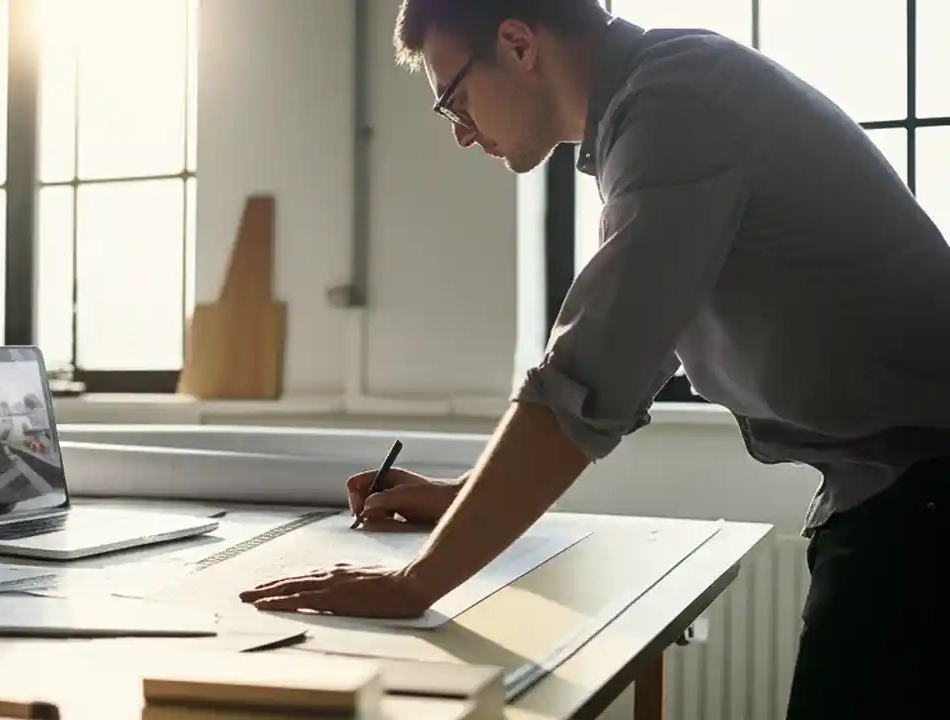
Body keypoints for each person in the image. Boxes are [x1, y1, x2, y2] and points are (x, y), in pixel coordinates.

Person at [238, 1, 949, 716]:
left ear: (517, 44)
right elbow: (630, 354)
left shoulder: (674, 107)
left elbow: (593, 370)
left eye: (453, 97)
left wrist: (416, 583)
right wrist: (466, 501)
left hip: (925, 494)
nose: (458, 133)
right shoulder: (662, 101)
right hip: (898, 486)